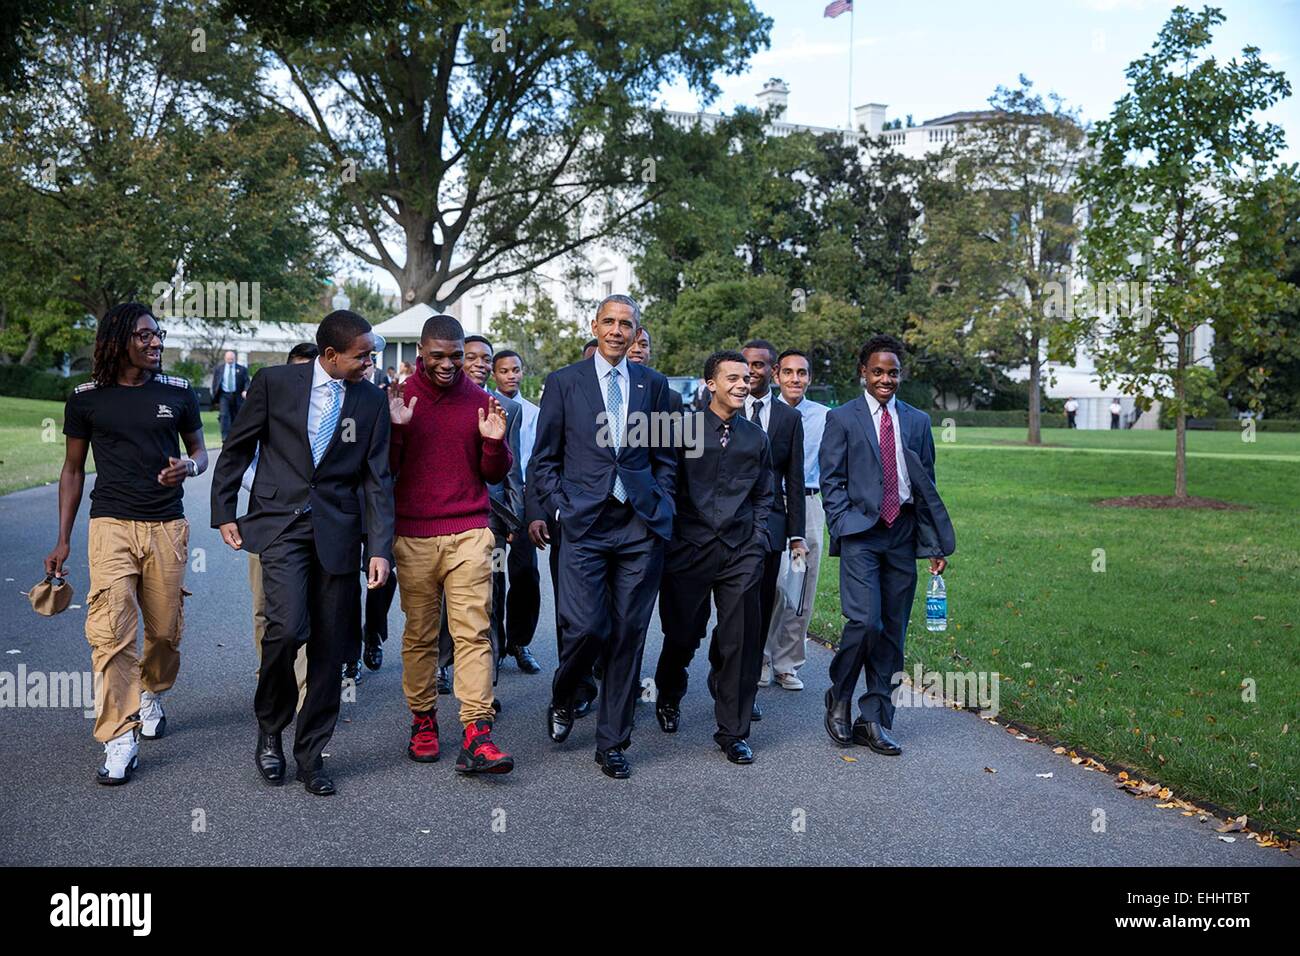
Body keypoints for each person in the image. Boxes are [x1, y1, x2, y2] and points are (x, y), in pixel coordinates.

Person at [211, 309, 393, 797]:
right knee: (287, 628)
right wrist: (225, 511)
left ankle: (311, 754)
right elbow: (237, 447)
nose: (369, 363)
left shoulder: (371, 400)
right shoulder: (274, 383)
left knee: (331, 649)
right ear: (330, 355)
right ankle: (271, 726)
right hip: (280, 525)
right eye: (362, 356)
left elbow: (377, 478)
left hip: (338, 533)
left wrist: (379, 548)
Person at [46, 302, 208, 785]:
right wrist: (62, 540)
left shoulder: (178, 393)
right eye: (144, 336)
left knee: (164, 632)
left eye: (157, 335)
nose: (155, 343)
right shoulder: (86, 398)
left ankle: (152, 690)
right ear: (119, 340)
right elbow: (73, 470)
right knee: (110, 631)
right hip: (110, 525)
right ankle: (118, 736)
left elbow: (200, 451)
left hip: (166, 527)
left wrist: (190, 467)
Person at [528, 294, 676, 779]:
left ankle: (612, 742)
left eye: (626, 323)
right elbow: (543, 458)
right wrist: (556, 504)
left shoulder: (653, 385)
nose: (617, 330)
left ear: (637, 331)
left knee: (629, 635)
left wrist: (661, 501)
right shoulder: (564, 383)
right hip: (585, 524)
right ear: (594, 326)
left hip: (639, 526)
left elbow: (667, 456)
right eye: (609, 322)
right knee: (588, 627)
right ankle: (565, 693)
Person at [386, 314, 515, 774]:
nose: (447, 364)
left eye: (456, 356)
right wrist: (397, 429)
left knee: (472, 633)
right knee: (420, 636)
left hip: (468, 532)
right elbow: (387, 472)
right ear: (421, 352)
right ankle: (423, 722)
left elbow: (494, 474)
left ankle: (477, 733)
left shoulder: (482, 401)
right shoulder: (401, 399)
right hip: (414, 534)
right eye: (437, 356)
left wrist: (494, 444)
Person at [820, 334, 955, 754]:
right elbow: (831, 480)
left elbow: (927, 485)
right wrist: (843, 524)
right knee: (865, 622)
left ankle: (875, 718)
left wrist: (933, 544)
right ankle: (839, 695)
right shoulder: (842, 418)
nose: (885, 379)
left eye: (892, 372)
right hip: (861, 533)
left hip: (903, 533)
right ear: (863, 372)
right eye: (877, 371)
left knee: (893, 631)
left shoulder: (917, 421)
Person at [653, 351, 772, 764]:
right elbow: (666, 487)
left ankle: (733, 731)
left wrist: (756, 542)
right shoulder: (681, 429)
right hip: (688, 549)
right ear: (711, 384)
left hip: (741, 551)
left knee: (741, 638)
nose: (744, 384)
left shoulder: (756, 437)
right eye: (733, 378)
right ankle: (669, 691)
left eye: (747, 377)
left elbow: (764, 496)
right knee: (683, 634)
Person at [443, 335, 524, 684]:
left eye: (485, 358)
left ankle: (485, 676)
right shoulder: (438, 403)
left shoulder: (508, 408)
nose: (479, 363)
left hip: (492, 519)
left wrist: (514, 517)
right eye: (471, 356)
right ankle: (443, 664)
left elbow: (513, 467)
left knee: (491, 590)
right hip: (444, 516)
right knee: (445, 595)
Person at [244, 342, 318, 712]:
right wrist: (276, 492)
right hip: (268, 520)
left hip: (316, 525)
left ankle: (305, 693)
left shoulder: (328, 410)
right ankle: (270, 679)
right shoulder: (269, 401)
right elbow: (241, 458)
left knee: (305, 613)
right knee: (266, 609)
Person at [740, 339, 805, 716]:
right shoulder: (715, 408)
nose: (753, 371)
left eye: (761, 365)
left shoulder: (788, 419)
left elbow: (793, 481)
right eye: (747, 364)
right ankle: (725, 673)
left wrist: (796, 534)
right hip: (724, 525)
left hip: (770, 527)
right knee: (731, 609)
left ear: (773, 371)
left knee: (760, 608)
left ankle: (744, 688)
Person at [763, 348, 830, 691]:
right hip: (773, 506)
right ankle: (761, 656)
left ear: (809, 378)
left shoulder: (823, 416)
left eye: (801, 373)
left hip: (808, 506)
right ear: (776, 375)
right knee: (772, 583)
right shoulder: (762, 410)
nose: (795, 379)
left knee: (800, 587)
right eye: (788, 372)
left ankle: (787, 662)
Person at [492, 349, 543, 673]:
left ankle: (519, 641)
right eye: (504, 371)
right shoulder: (487, 407)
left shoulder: (533, 412)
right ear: (495, 374)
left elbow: (538, 459)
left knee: (525, 574)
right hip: (494, 505)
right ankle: (492, 645)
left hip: (523, 505)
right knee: (493, 577)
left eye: (516, 370)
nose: (511, 375)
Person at [211, 349, 249, 441]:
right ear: (225, 358)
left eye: (232, 359)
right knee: (224, 415)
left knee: (236, 416)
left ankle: (236, 436)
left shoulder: (242, 369)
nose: (230, 361)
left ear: (234, 358)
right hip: (224, 395)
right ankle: (225, 437)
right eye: (228, 359)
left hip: (237, 395)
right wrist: (214, 395)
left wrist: (245, 390)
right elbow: (215, 382)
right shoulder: (219, 369)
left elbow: (247, 381)